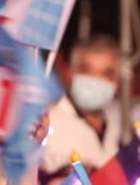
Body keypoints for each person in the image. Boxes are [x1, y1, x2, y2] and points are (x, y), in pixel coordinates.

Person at [41, 35, 122, 174]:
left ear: (116, 80)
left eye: (106, 73)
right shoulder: (48, 121)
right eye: (87, 70)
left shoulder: (114, 126)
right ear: (69, 73)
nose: (96, 80)